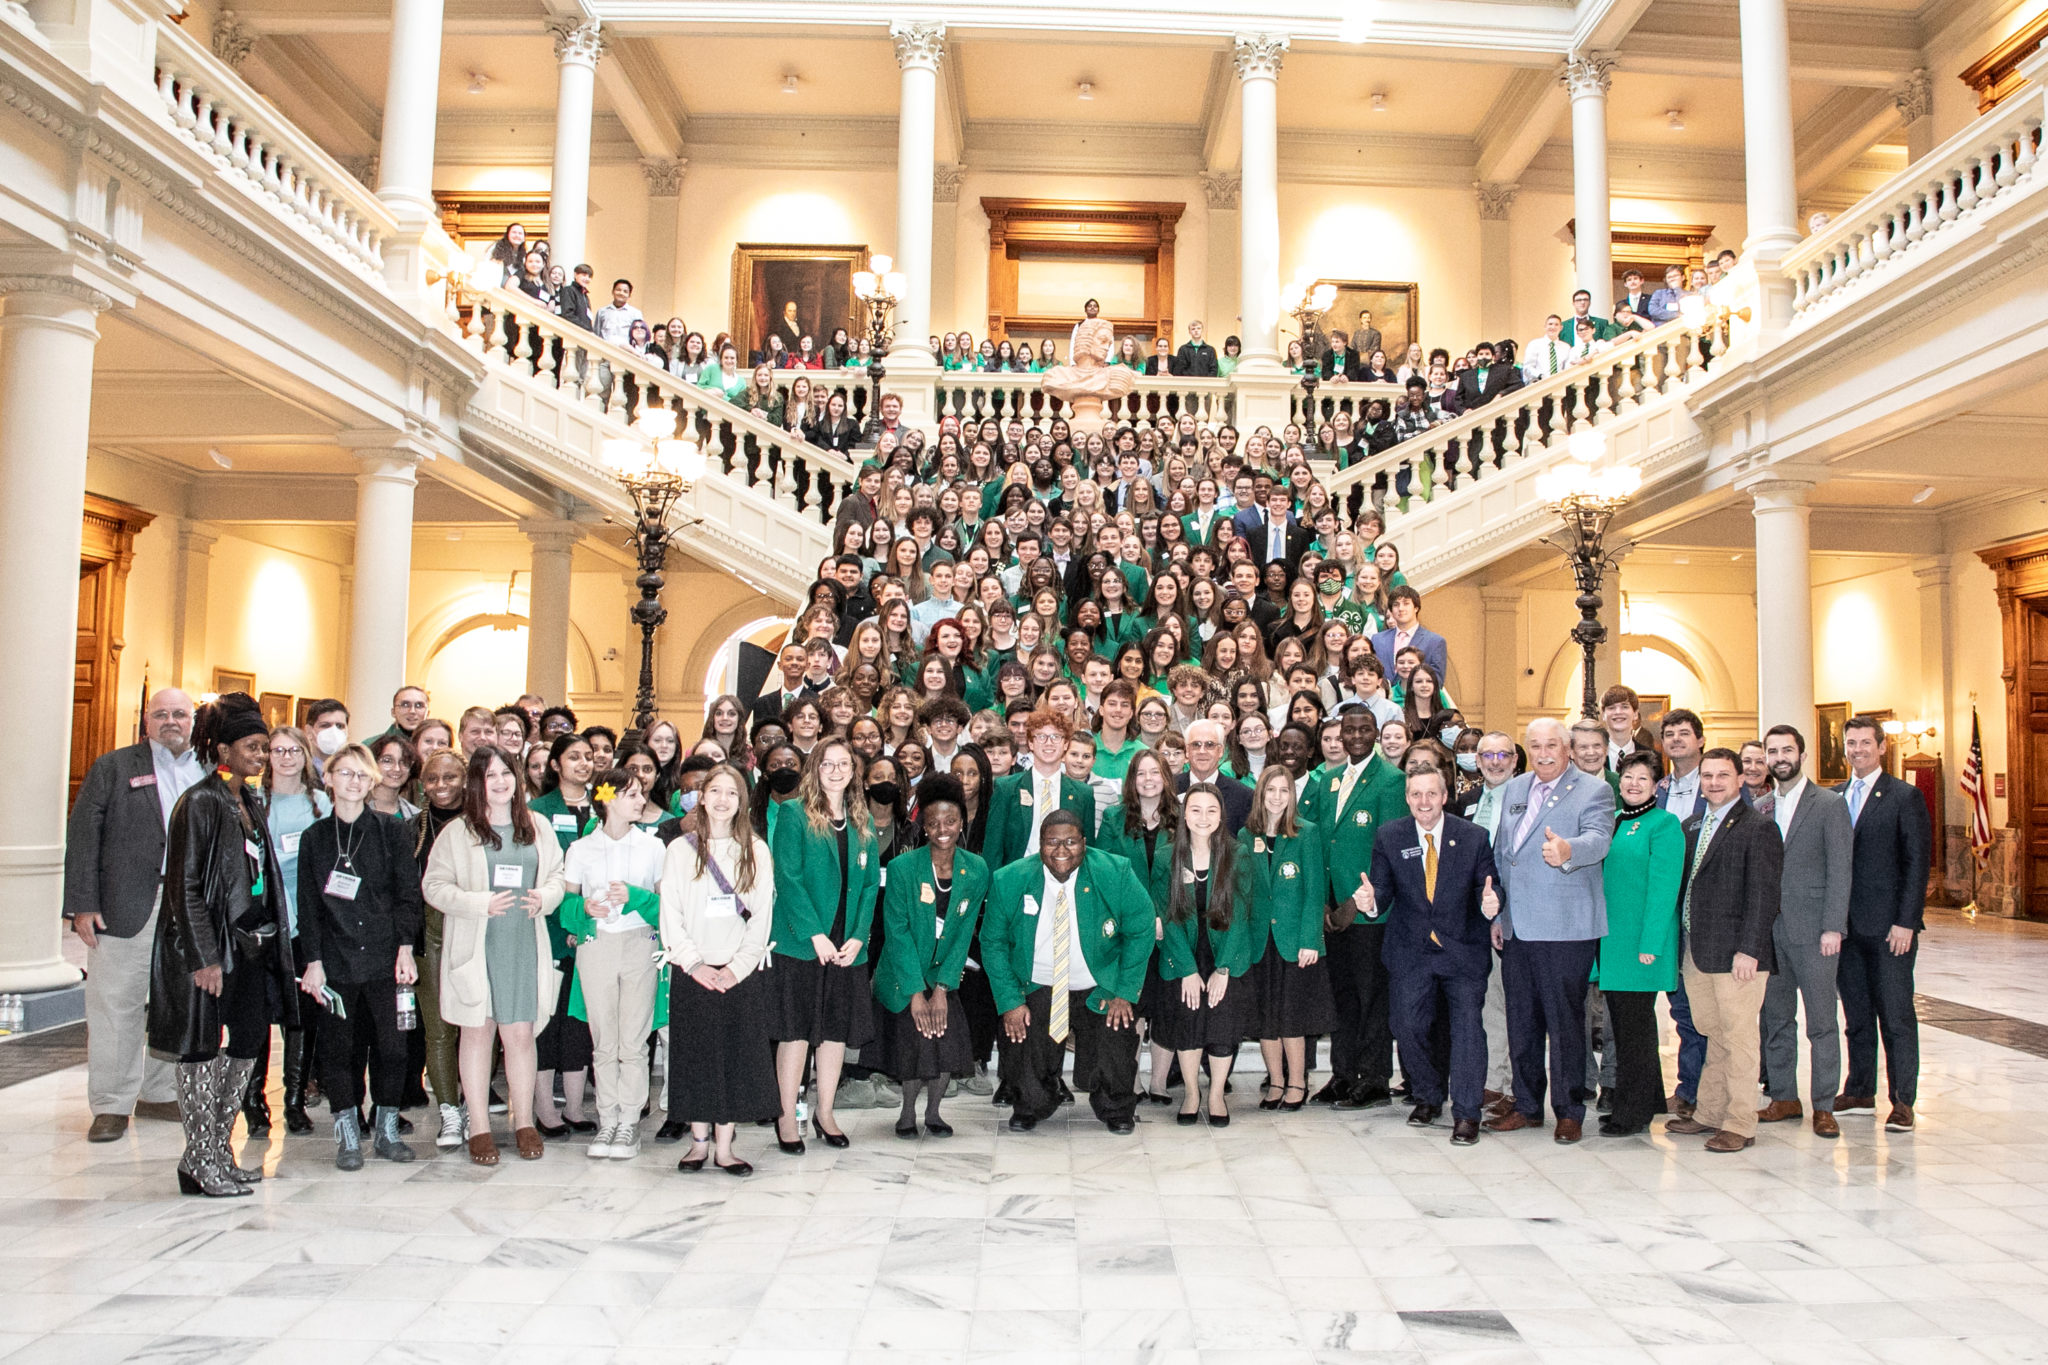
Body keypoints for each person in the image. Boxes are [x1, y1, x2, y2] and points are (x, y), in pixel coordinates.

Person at [147, 693, 298, 1197]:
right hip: (213, 953)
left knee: (251, 1039)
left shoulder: (247, 799)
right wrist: (203, 957)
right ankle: (199, 1158)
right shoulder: (201, 801)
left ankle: (219, 1149)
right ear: (224, 749)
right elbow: (184, 886)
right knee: (202, 1050)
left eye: (266, 748)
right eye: (254, 747)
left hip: (251, 948)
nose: (263, 756)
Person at [422, 746, 567, 1166]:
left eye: (507, 772)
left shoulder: (536, 825)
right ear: (476, 783)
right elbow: (434, 886)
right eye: (489, 775)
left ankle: (524, 1122)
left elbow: (558, 875)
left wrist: (547, 897)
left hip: (522, 943)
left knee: (520, 1035)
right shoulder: (459, 831)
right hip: (477, 944)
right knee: (478, 1033)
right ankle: (481, 1127)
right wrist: (478, 902)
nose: (500, 781)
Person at [67, 688, 200, 1141]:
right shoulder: (114, 767)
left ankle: (159, 1094)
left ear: (193, 720)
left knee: (175, 1003)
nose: (170, 722)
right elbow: (84, 836)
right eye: (160, 714)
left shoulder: (207, 771)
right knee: (115, 1005)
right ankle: (111, 1104)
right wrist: (83, 903)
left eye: (179, 714)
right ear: (146, 722)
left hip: (188, 908)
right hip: (126, 904)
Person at [294, 743, 424, 1170]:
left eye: (360, 774)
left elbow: (408, 896)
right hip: (336, 960)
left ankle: (386, 1131)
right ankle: (348, 1136)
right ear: (328, 779)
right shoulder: (315, 838)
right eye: (343, 773)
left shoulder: (391, 831)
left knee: (393, 1049)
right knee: (339, 1052)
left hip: (387, 956)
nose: (353, 781)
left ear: (372, 782)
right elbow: (308, 905)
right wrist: (312, 960)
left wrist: (406, 948)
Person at [982, 810, 1153, 1133]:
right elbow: (992, 942)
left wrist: (1124, 992)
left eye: (1071, 841)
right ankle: (1030, 1104)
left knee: (1116, 1031)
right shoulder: (1010, 879)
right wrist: (1010, 1001)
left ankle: (1116, 1107)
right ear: (1040, 844)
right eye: (1052, 842)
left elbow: (1141, 928)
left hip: (1098, 981)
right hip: (1038, 981)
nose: (1061, 850)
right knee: (1022, 1032)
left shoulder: (1114, 872)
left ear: (1085, 843)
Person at [1487, 717, 1615, 1144]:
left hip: (1565, 929)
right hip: (1518, 927)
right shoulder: (1517, 788)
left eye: (1552, 746)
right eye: (1535, 745)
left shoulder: (1594, 790)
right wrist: (1499, 916)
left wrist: (1567, 850)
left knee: (1564, 1024)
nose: (1543, 753)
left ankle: (1569, 1110)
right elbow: (1507, 855)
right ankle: (1527, 1106)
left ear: (1569, 750)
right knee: (1521, 1021)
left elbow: (1598, 840)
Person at [1361, 763, 1502, 1145]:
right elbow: (1382, 890)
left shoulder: (1473, 836)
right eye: (1415, 794)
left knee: (1468, 1030)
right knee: (1406, 1025)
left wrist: (1492, 903)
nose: (1424, 801)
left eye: (1431, 794)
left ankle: (1467, 1114)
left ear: (1444, 797)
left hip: (1462, 951)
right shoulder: (1390, 836)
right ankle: (1427, 1094)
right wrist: (1371, 902)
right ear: (1407, 799)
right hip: (1411, 950)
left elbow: (1487, 886)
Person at [1663, 749, 1783, 1153]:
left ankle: (1741, 1122)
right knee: (1714, 1034)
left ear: (1740, 779)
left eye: (1722, 775)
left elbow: (1764, 896)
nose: (1713, 782)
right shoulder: (1692, 825)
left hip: (1737, 957)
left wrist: (1749, 950)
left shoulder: (1758, 828)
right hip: (1698, 952)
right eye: (1707, 776)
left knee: (1740, 1038)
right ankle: (1710, 1113)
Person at [660, 764, 778, 1176]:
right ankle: (697, 1143)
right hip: (693, 972)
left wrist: (738, 967)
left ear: (742, 801)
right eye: (716, 791)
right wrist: (692, 963)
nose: (724, 799)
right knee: (695, 1057)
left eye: (733, 792)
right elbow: (670, 913)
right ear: (702, 797)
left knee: (734, 1058)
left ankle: (725, 1148)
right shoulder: (679, 850)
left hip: (739, 973)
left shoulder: (756, 850)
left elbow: (762, 914)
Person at [768, 737, 883, 1152]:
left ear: (854, 772)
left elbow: (870, 886)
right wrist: (813, 933)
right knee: (796, 1032)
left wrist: (857, 936)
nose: (836, 771)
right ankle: (785, 1116)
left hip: (846, 946)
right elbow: (788, 877)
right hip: (803, 943)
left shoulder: (862, 818)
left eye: (844, 765)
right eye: (827, 764)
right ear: (814, 769)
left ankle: (826, 1111)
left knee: (834, 1033)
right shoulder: (793, 814)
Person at [1299, 707, 1407, 1108]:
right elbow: (1316, 841)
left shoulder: (1392, 781)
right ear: (1339, 736)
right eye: (1349, 730)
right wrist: (1326, 903)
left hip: (1367, 911)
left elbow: (1390, 847)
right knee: (1340, 996)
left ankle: (1375, 1077)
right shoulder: (1327, 780)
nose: (1357, 736)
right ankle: (1343, 1074)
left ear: (1376, 733)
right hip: (1331, 911)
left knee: (1371, 996)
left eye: (1364, 729)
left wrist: (1355, 904)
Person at [557, 766, 667, 1160]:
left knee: (633, 1041)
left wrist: (635, 897)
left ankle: (629, 1122)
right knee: (603, 1039)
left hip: (640, 943)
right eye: (633, 794)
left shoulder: (653, 847)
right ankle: (607, 1120)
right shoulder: (581, 850)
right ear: (608, 799)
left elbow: (665, 908)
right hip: (596, 943)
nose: (641, 800)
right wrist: (584, 907)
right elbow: (566, 907)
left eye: (641, 793)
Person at [871, 775, 988, 1138]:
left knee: (945, 1039)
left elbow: (964, 932)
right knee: (914, 1040)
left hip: (945, 972)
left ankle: (934, 1113)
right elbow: (898, 932)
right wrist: (915, 992)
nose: (942, 829)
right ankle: (906, 1114)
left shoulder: (976, 869)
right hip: (904, 973)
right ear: (922, 824)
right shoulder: (904, 868)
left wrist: (940, 989)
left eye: (950, 821)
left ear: (961, 822)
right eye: (933, 822)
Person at [1753, 725, 1853, 1139]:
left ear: (1802, 754)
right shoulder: (1758, 806)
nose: (1779, 757)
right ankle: (1784, 1096)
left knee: (1821, 1022)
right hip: (1769, 932)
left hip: (1814, 932)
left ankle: (1824, 1105)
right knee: (1775, 1019)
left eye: (1786, 750)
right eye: (1772, 751)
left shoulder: (1829, 804)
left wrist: (1834, 926)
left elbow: (1841, 869)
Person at [1834, 715, 1933, 1132]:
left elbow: (1916, 863)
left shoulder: (1903, 796)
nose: (1857, 749)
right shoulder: (1835, 797)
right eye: (1851, 743)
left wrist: (1906, 921)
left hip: (1890, 928)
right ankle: (1859, 1089)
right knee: (1856, 1013)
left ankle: (1902, 1101)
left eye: (1865, 743)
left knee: (1895, 1015)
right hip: (1845, 927)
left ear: (1880, 747)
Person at [1153, 786, 1253, 1126]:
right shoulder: (1167, 855)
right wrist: (1186, 968)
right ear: (1183, 814)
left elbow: (1240, 915)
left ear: (1222, 815)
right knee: (1189, 1021)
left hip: (1225, 952)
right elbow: (1166, 915)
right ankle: (1193, 1092)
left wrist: (1223, 968)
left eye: (1212, 811)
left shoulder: (1237, 854)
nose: (1203, 818)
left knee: (1222, 1025)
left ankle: (1216, 1093)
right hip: (1183, 953)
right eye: (1195, 810)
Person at [1596, 751, 1682, 1136]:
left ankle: (1631, 1114)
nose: (1632, 784)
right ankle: (1647, 1099)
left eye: (1642, 778)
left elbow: (1664, 889)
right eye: (1628, 776)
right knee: (1629, 1025)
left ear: (1657, 784)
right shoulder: (1614, 821)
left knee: (1635, 1031)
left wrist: (1651, 942)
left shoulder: (1664, 825)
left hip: (1639, 945)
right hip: (1612, 941)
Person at [1241, 767, 1331, 1112]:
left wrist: (1311, 938)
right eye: (1270, 790)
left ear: (1292, 796)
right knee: (1266, 1018)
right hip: (1259, 941)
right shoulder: (1246, 836)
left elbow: (1314, 892)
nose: (1277, 797)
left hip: (1295, 942)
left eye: (1284, 791)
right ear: (1260, 794)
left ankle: (1297, 1081)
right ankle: (1275, 1081)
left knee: (1292, 1018)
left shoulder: (1306, 833)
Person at [253, 724, 326, 1137]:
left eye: (292, 750)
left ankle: (295, 1100)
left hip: (306, 925)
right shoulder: (252, 802)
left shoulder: (321, 803)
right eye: (276, 750)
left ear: (304, 754)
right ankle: (253, 1101)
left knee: (301, 1018)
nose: (285, 758)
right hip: (263, 927)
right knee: (259, 1016)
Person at [408, 749, 469, 1149]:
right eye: (432, 779)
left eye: (450, 777)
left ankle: (475, 1104)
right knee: (439, 1028)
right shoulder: (412, 829)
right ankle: (449, 1108)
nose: (441, 786)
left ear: (466, 779)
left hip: (476, 928)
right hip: (429, 934)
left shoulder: (482, 823)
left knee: (480, 1027)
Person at [1654, 707, 1709, 1115]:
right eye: (1669, 734)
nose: (1675, 739)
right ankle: (1688, 1089)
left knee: (1700, 1008)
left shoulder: (1718, 785)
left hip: (1702, 908)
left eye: (1684, 733)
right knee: (1679, 1006)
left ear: (1700, 740)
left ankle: (1700, 1091)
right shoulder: (1657, 790)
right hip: (1663, 907)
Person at [983, 709, 1096, 868]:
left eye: (1056, 737)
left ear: (1065, 744)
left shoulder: (1083, 794)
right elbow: (993, 848)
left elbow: (1088, 849)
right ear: (1030, 743)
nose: (1048, 743)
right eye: (1041, 736)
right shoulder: (1006, 789)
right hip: (1018, 875)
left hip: (1065, 878)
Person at [1179, 718, 1253, 832]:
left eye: (1210, 745)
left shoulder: (1243, 796)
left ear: (1221, 751)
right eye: (1196, 744)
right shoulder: (1169, 790)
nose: (1202, 751)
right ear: (1187, 750)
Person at [1371, 585, 1449, 685]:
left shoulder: (1435, 641)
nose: (1401, 608)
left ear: (1416, 608)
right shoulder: (1377, 639)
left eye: (1406, 603)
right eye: (1396, 605)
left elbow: (1437, 681)